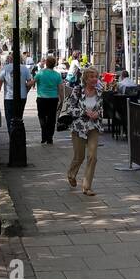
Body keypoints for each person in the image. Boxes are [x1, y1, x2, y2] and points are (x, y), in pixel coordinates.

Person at [65, 65, 103, 196]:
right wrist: (84, 112)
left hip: (93, 127)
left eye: (96, 77)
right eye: (91, 77)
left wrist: (98, 114)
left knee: (92, 157)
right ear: (86, 78)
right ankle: (71, 174)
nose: (94, 79)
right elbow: (70, 109)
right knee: (79, 156)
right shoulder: (77, 90)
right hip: (79, 127)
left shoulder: (99, 91)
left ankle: (87, 187)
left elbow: (101, 109)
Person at [0, 53, 34, 133]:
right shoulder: (25, 69)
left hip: (9, 97)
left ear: (10, 59)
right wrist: (26, 91)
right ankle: (18, 136)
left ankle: (12, 136)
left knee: (9, 118)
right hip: (22, 96)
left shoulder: (5, 69)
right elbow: (30, 82)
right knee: (19, 117)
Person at [35, 54, 64, 145]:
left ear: (46, 63)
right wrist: (62, 99)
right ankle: (50, 138)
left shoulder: (40, 73)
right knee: (51, 118)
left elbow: (32, 82)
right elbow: (60, 88)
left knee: (42, 116)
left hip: (41, 98)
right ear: (54, 64)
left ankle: (44, 136)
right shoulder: (57, 75)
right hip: (53, 99)